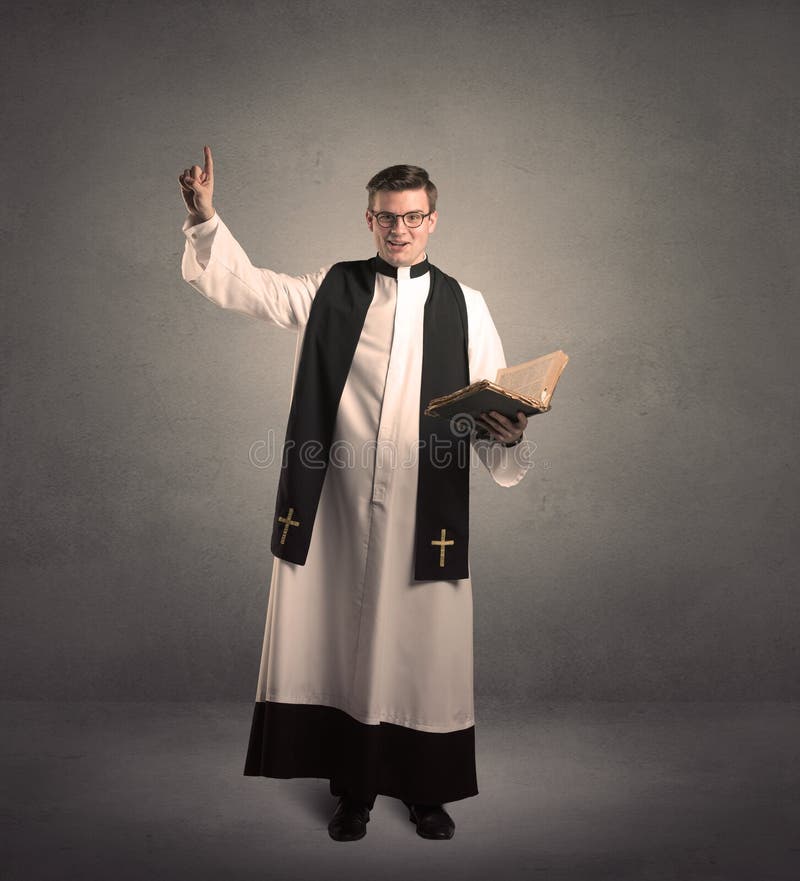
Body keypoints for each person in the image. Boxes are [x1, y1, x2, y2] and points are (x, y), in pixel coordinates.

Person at [178, 146, 531, 842]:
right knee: (349, 645)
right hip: (337, 505)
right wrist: (205, 219)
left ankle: (426, 790)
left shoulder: (467, 305)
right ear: (369, 219)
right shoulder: (332, 288)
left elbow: (495, 403)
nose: (400, 229)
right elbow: (251, 288)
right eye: (386, 217)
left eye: (413, 217)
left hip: (424, 510)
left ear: (433, 220)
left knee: (424, 649)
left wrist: (510, 434)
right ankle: (355, 790)